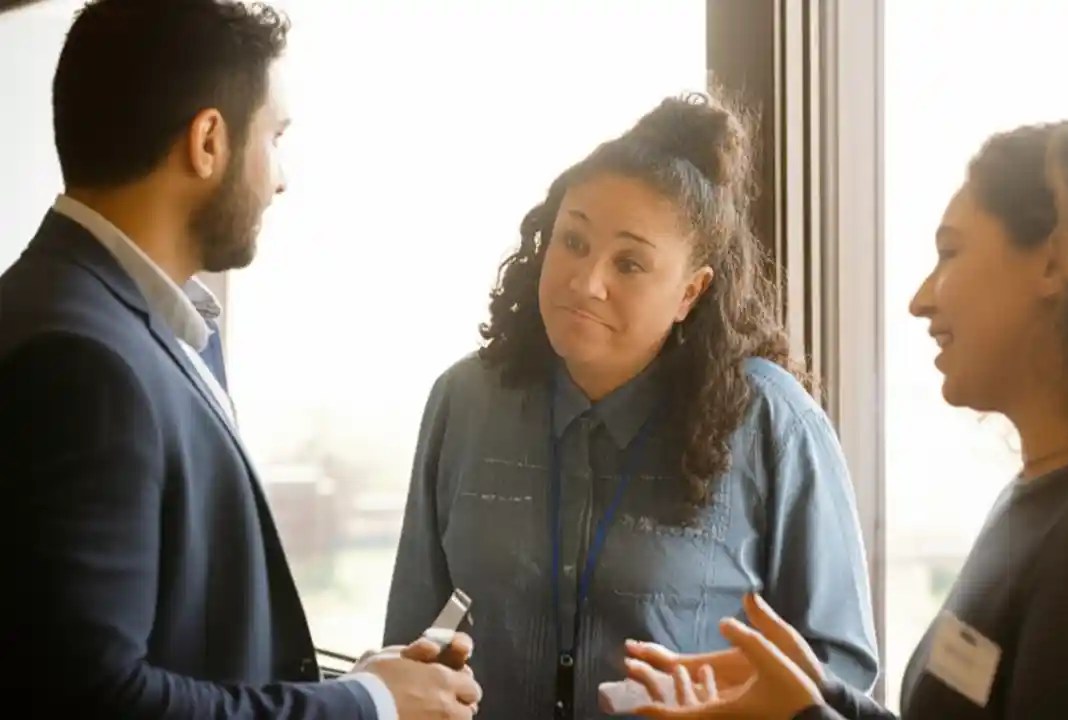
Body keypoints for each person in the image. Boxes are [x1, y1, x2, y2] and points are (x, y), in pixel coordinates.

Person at [619, 121, 1068, 719]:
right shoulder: (1054, 501)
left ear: (1056, 259)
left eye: (951, 252)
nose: (920, 300)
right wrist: (816, 695)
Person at [0, 1, 480, 717]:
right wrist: (369, 709)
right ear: (208, 141)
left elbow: (173, 640)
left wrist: (351, 687)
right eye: (276, 137)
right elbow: (95, 698)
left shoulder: (99, 318)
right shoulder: (83, 364)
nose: (281, 177)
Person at [382, 90, 879, 719]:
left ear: (690, 293)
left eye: (630, 263)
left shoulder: (774, 423)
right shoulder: (465, 401)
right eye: (573, 242)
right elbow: (408, 643)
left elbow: (839, 672)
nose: (587, 282)